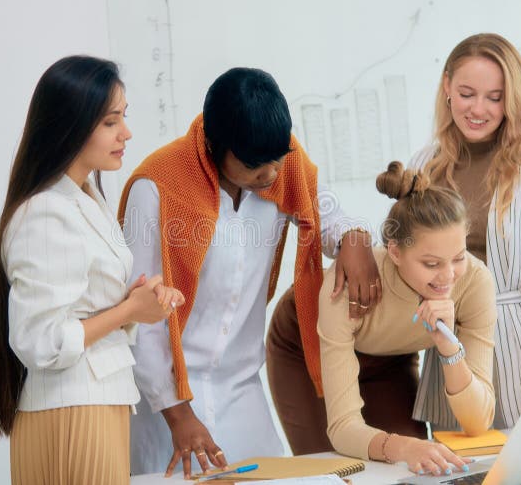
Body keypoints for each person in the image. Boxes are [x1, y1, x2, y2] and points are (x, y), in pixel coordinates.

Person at [119, 67, 381, 477]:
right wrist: (177, 415)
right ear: (213, 146)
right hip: (164, 401)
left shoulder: (278, 160)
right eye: (257, 167)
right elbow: (142, 318)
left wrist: (354, 236)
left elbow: (325, 213)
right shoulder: (157, 187)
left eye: (279, 162)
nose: (272, 175)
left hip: (242, 390)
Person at [0, 55, 184, 484]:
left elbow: (81, 308)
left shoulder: (87, 197)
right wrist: (130, 312)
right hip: (73, 408)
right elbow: (43, 340)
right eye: (111, 122)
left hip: (96, 401)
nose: (126, 133)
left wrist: (136, 302)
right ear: (70, 125)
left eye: (123, 118)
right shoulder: (46, 212)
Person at [410, 32, 521, 429]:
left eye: (495, 97)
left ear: (511, 99)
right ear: (447, 87)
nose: (478, 109)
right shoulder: (424, 167)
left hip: (517, 351)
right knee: (464, 472)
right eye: (467, 93)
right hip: (451, 355)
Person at [319, 161, 496, 478]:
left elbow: (478, 420)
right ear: (395, 253)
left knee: (413, 469)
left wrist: (447, 345)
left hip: (391, 358)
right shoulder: (347, 286)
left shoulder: (475, 282)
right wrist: (400, 447)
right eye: (431, 263)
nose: (447, 276)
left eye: (458, 257)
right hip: (310, 347)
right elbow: (342, 427)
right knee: (338, 470)